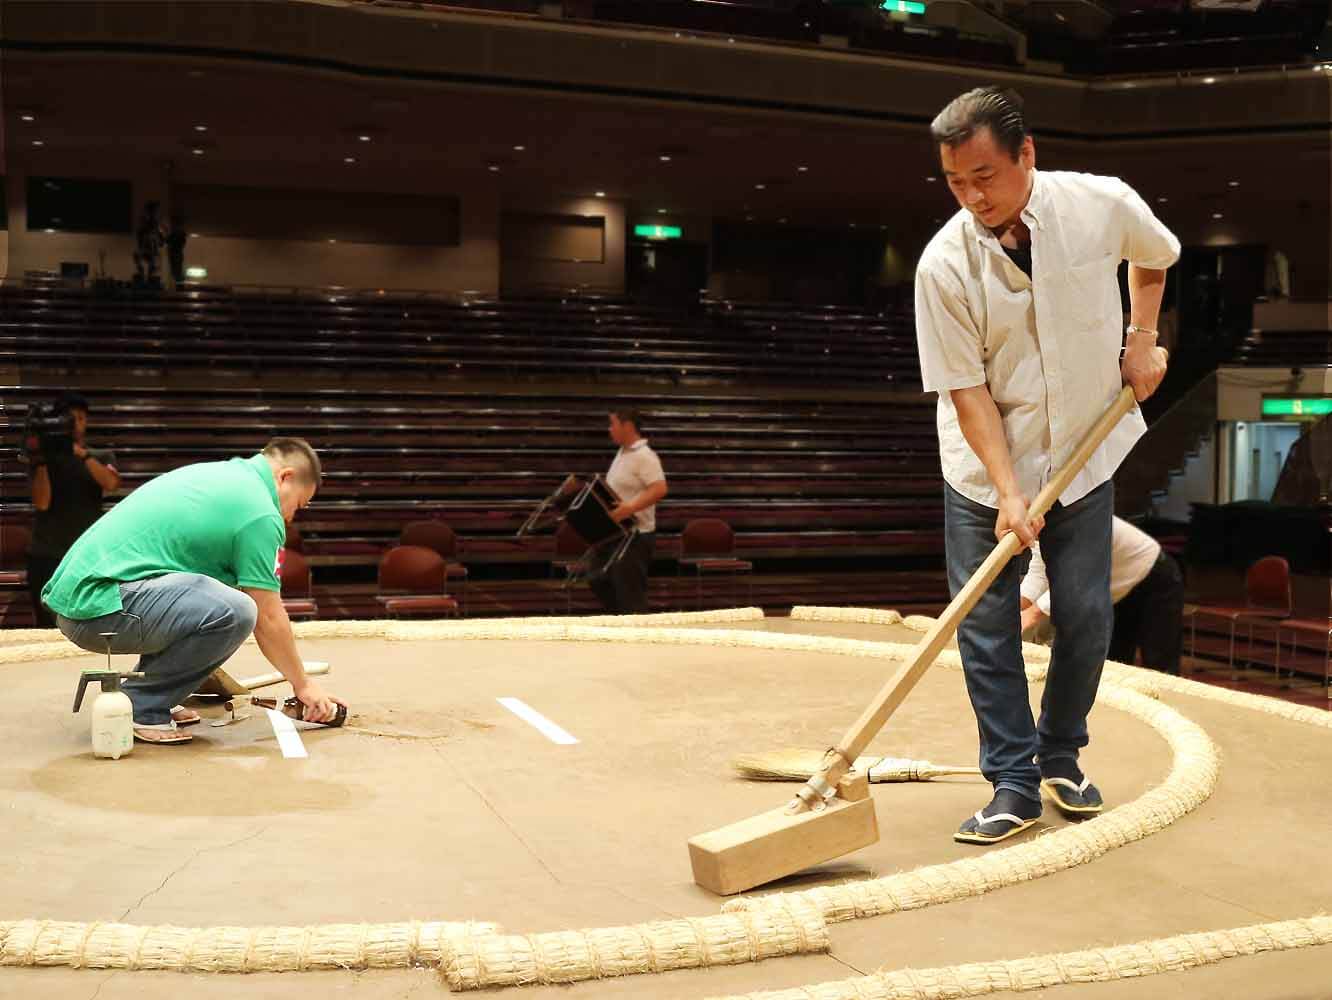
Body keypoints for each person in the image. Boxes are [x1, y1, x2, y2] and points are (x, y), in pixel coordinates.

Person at [914, 86, 1178, 845]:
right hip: (980, 470)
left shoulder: (1099, 204)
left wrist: (1140, 338)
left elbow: (1156, 258)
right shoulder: (943, 265)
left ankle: (1061, 753)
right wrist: (1006, 493)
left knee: (1088, 614)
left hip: (1081, 456)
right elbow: (967, 394)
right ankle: (1012, 779)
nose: (972, 197)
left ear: (1027, 154)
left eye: (985, 176)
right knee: (987, 625)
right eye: (956, 182)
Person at [42, 438, 346, 745]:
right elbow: (267, 616)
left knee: (223, 597)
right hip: (97, 606)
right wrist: (303, 685)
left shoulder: (225, 477)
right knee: (239, 611)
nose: (291, 517)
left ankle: (157, 692)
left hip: (90, 598)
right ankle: (143, 705)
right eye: (298, 504)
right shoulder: (260, 512)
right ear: (286, 477)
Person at [1021, 517, 1185, 675]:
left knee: (1159, 665)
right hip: (1114, 587)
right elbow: (1038, 575)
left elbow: (1077, 579)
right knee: (1111, 664)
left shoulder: (1084, 519)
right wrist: (1014, 610)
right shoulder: (1041, 529)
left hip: (1154, 577)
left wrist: (1033, 613)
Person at [25, 392, 121, 629]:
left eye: (80, 418)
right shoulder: (43, 459)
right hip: (46, 552)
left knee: (88, 624)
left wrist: (83, 454)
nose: (76, 423)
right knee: (45, 628)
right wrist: (41, 460)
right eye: (70, 418)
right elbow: (42, 502)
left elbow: (111, 484)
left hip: (85, 554)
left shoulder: (100, 456)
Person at [589, 408, 667, 614]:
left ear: (628, 426)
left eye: (613, 424)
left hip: (636, 535)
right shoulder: (622, 453)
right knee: (597, 578)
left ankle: (636, 633)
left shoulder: (645, 456)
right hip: (615, 532)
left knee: (630, 593)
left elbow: (659, 488)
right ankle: (620, 622)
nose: (610, 429)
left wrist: (630, 507)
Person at [133, 201, 166, 286]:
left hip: (150, 252)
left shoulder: (156, 225)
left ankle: (147, 276)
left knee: (151, 266)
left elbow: (161, 241)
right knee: (146, 265)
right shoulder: (146, 224)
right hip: (146, 251)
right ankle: (145, 276)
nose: (155, 215)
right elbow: (141, 237)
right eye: (153, 212)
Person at [166, 214, 189, 288]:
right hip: (175, 253)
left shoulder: (179, 234)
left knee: (176, 270)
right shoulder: (178, 234)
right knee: (176, 270)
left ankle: (179, 284)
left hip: (176, 253)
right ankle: (179, 284)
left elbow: (169, 241)